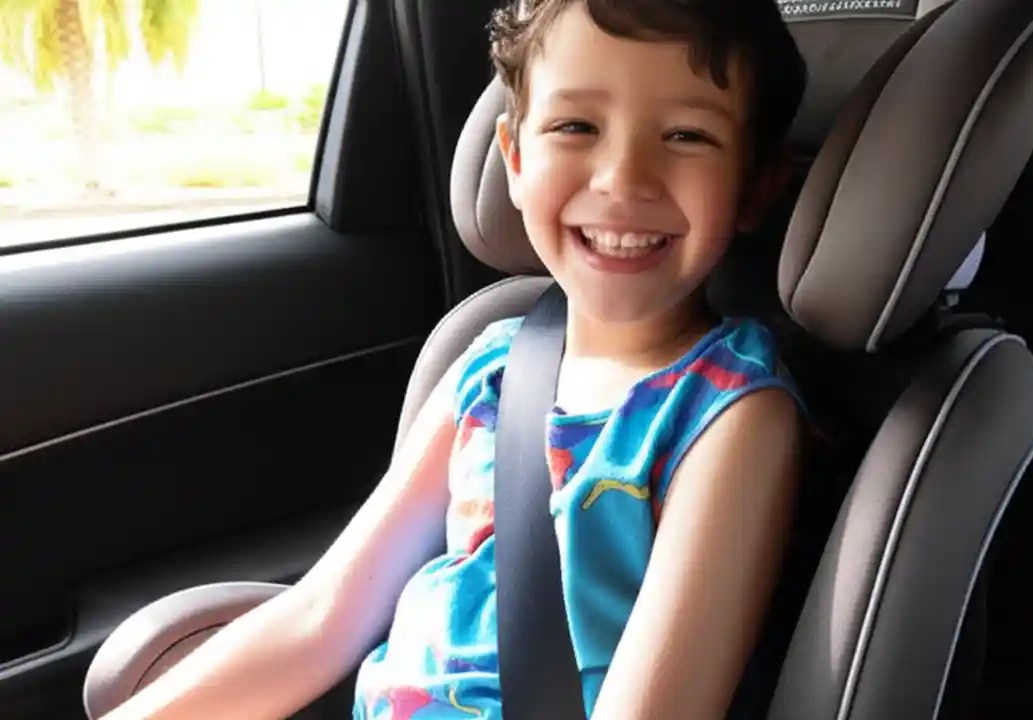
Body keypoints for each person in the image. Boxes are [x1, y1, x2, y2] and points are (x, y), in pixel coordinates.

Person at [102, 0, 808, 717]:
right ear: (516, 159)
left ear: (755, 187)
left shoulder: (731, 415)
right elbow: (319, 619)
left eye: (687, 135)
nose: (623, 179)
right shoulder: (493, 367)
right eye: (576, 126)